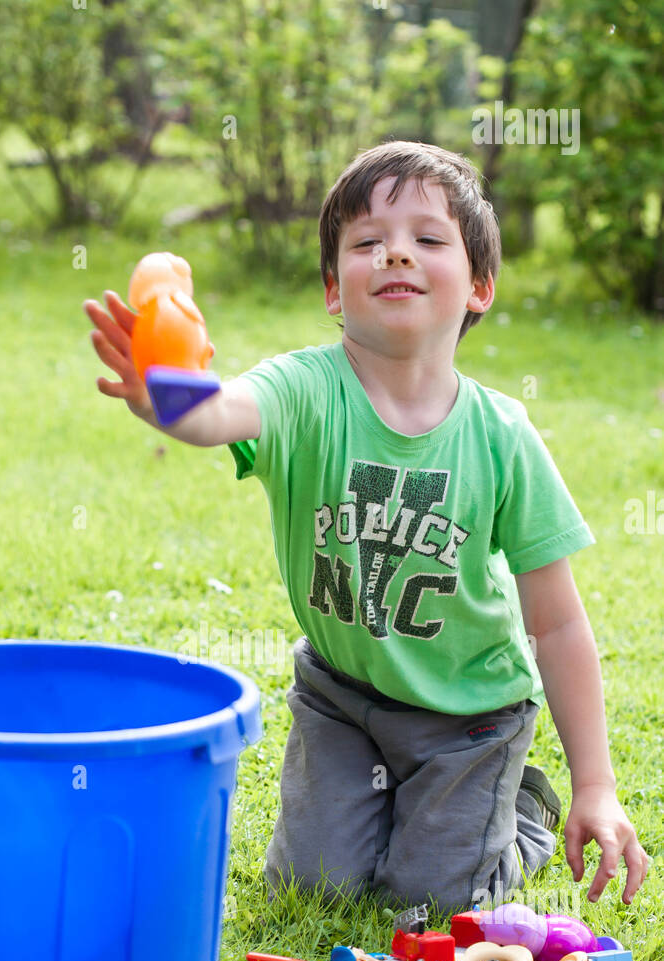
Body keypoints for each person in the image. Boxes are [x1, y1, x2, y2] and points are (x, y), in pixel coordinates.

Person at [84, 139, 649, 918]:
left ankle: (518, 808)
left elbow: (555, 623)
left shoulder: (501, 435)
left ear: (479, 285)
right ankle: (401, 810)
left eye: (427, 238)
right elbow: (215, 412)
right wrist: (165, 395)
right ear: (332, 289)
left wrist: (597, 786)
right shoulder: (304, 389)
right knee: (315, 889)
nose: (395, 254)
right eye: (366, 242)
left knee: (432, 900)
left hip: (469, 717)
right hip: (341, 696)